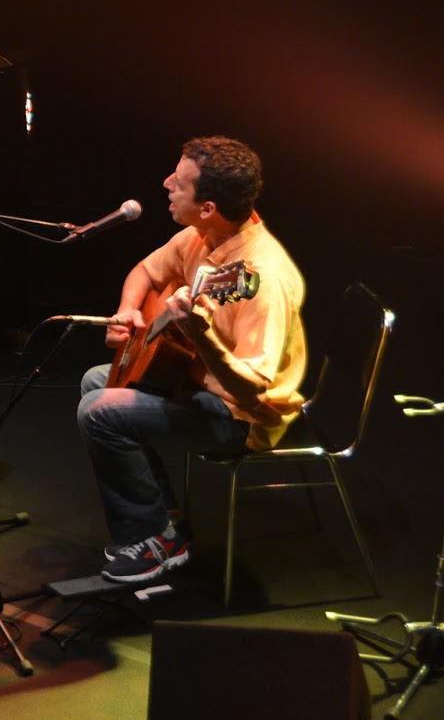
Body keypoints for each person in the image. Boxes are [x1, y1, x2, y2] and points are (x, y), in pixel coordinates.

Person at [76, 136, 307, 584]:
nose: (165, 184)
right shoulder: (202, 236)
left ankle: (154, 541)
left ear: (208, 207)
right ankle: (168, 521)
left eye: (178, 182)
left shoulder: (264, 278)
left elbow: (251, 389)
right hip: (196, 384)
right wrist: (128, 311)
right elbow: (145, 271)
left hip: (241, 417)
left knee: (98, 410)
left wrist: (202, 339)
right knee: (94, 381)